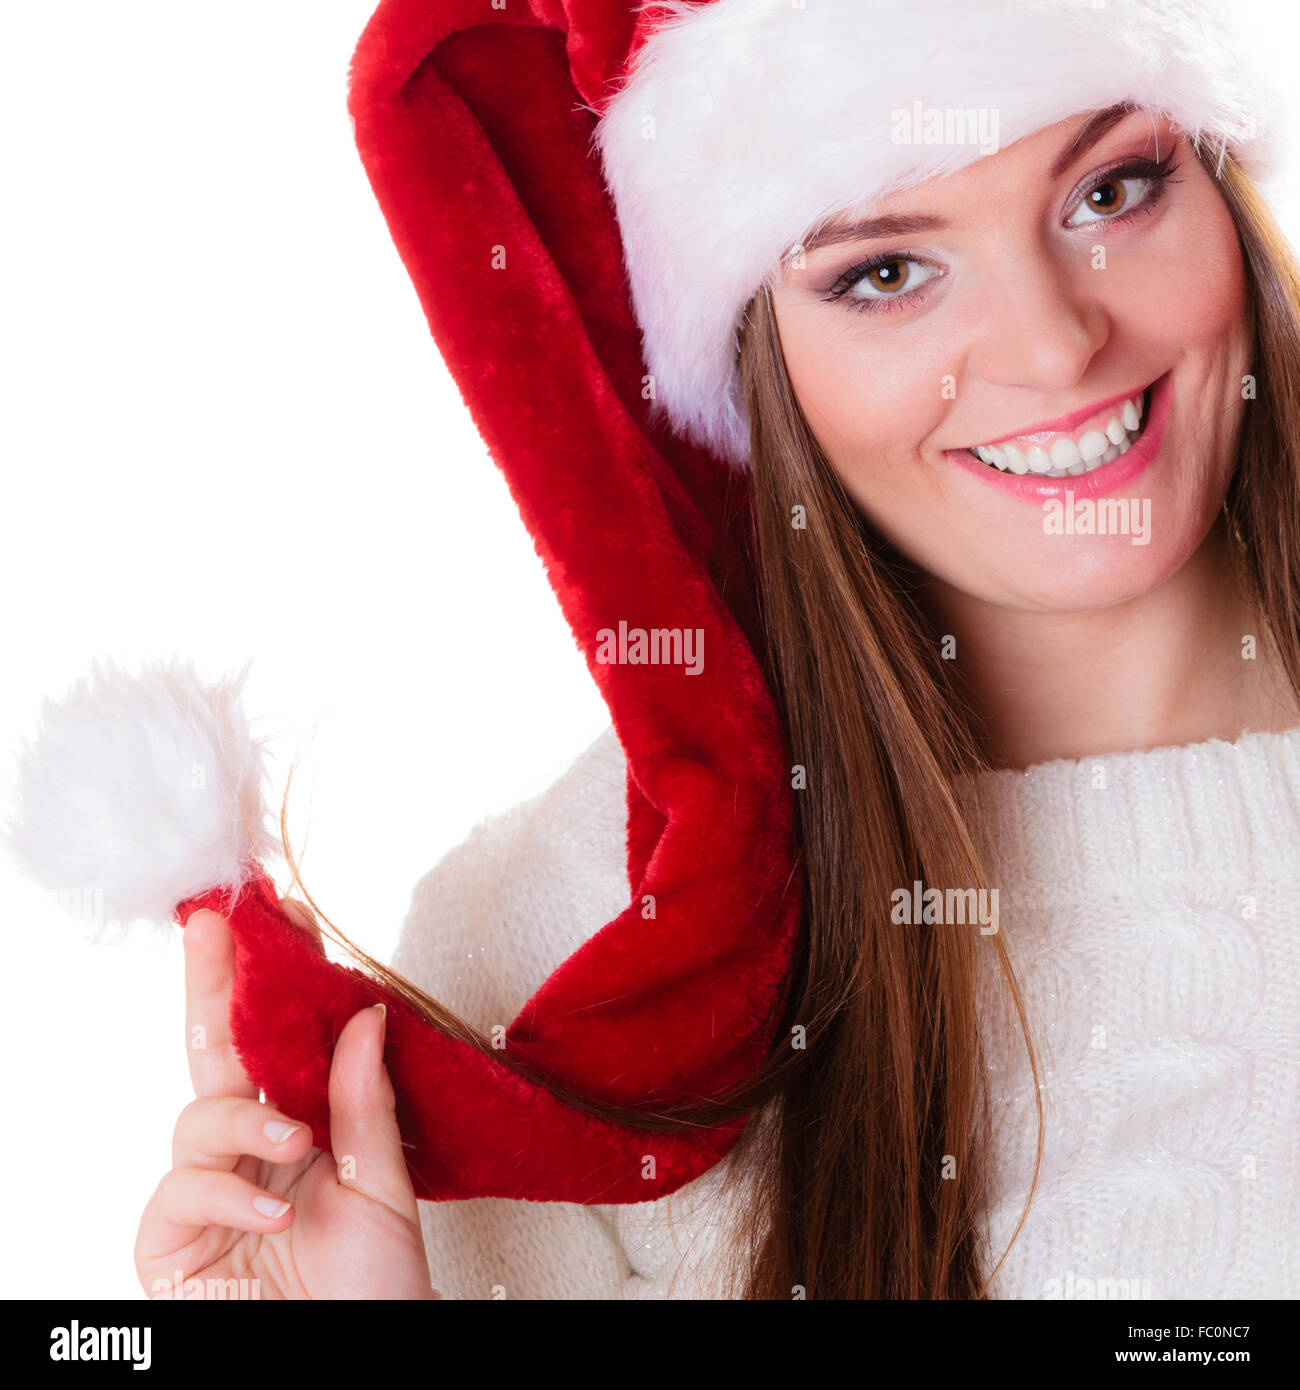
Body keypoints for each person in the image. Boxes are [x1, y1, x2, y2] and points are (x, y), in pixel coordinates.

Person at [135, 0, 1300, 1299]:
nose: (1052, 344)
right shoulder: (549, 976)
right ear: (754, 363)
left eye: (1113, 188)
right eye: (886, 271)